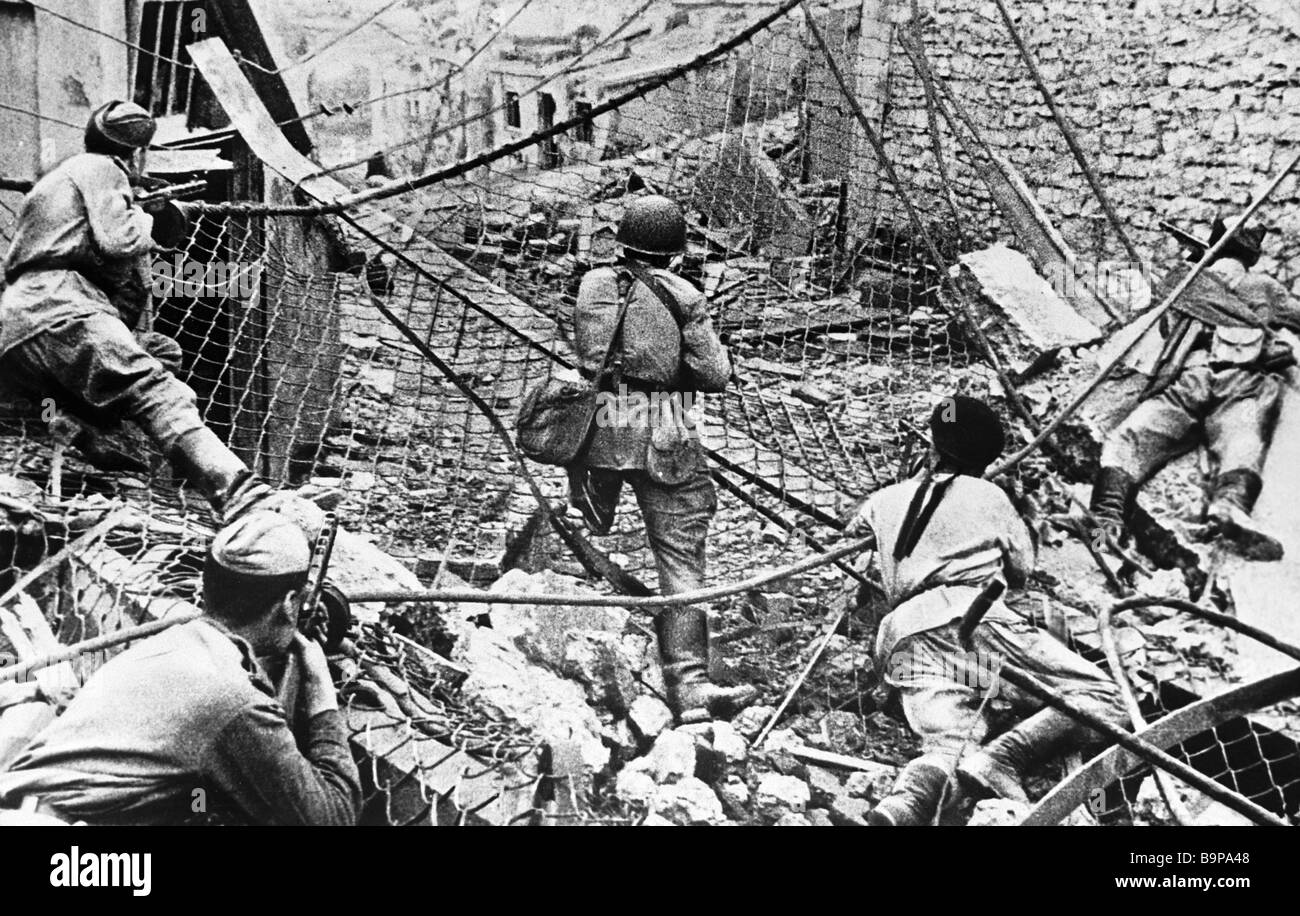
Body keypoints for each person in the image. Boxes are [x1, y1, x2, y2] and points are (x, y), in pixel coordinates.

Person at [845, 395, 1126, 825]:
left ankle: (899, 809)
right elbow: (1021, 571)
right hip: (970, 618)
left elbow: (853, 527)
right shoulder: (990, 495)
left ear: (933, 447)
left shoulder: (887, 498)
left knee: (949, 744)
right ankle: (1007, 757)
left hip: (901, 635)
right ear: (986, 459)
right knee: (1103, 697)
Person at [0, 511, 361, 826]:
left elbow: (190, 790)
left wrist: (203, 808)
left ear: (207, 587)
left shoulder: (167, 646)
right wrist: (320, 695)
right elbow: (334, 816)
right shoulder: (234, 699)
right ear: (289, 604)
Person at [0, 99, 269, 520]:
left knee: (161, 351)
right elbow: (119, 241)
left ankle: (80, 426)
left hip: (20, 320)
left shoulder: (60, 178)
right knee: (155, 388)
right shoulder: (103, 168)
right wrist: (143, 214)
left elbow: (117, 277)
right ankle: (238, 492)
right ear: (134, 150)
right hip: (60, 306)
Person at [565, 194, 756, 724]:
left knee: (584, 526)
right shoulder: (684, 295)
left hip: (597, 431)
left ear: (622, 240)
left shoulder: (590, 285)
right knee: (681, 558)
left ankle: (572, 634)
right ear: (673, 252)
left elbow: (588, 356)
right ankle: (690, 688)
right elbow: (716, 375)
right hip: (663, 432)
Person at [1089, 217, 1300, 561]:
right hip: (1241, 382)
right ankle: (1230, 506)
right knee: (1243, 441)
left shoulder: (1186, 279)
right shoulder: (1264, 286)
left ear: (1214, 244)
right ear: (1251, 257)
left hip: (1189, 379)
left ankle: (1104, 523)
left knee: (1130, 438)